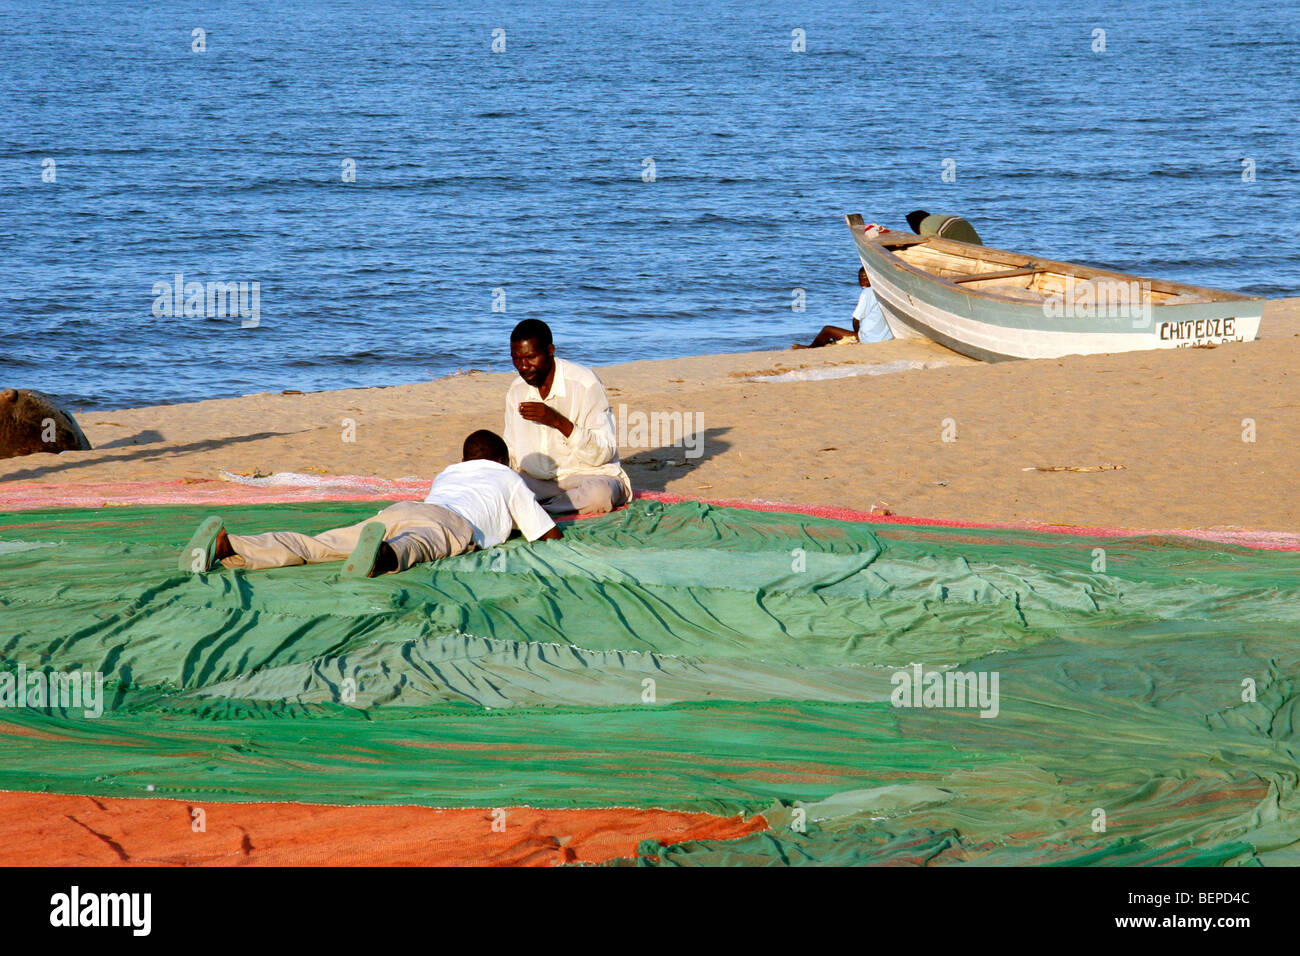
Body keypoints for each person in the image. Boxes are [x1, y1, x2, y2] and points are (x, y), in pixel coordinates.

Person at [178, 430, 561, 578]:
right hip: (450, 522)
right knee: (420, 545)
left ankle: (233, 546)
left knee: (322, 543)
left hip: (401, 509)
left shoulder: (448, 474)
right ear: (502, 461)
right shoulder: (507, 476)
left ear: (464, 461)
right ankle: (381, 558)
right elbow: (546, 533)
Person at [505, 318, 631, 515]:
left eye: (530, 357)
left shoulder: (584, 383)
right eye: (516, 359)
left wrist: (557, 420)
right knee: (492, 486)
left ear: (549, 351)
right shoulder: (516, 390)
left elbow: (603, 452)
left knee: (600, 496)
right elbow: (511, 448)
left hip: (587, 476)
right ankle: (543, 508)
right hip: (537, 482)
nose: (523, 366)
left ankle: (538, 512)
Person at [793, 267, 892, 349]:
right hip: (885, 337)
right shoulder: (885, 291)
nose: (862, 281)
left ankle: (810, 348)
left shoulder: (867, 293)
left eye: (865, 278)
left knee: (827, 330)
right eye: (860, 278)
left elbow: (856, 320)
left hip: (869, 339)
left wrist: (856, 335)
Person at [906, 209, 983, 245]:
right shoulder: (935, 218)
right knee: (975, 245)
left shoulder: (923, 225)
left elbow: (932, 242)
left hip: (950, 228)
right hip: (962, 222)